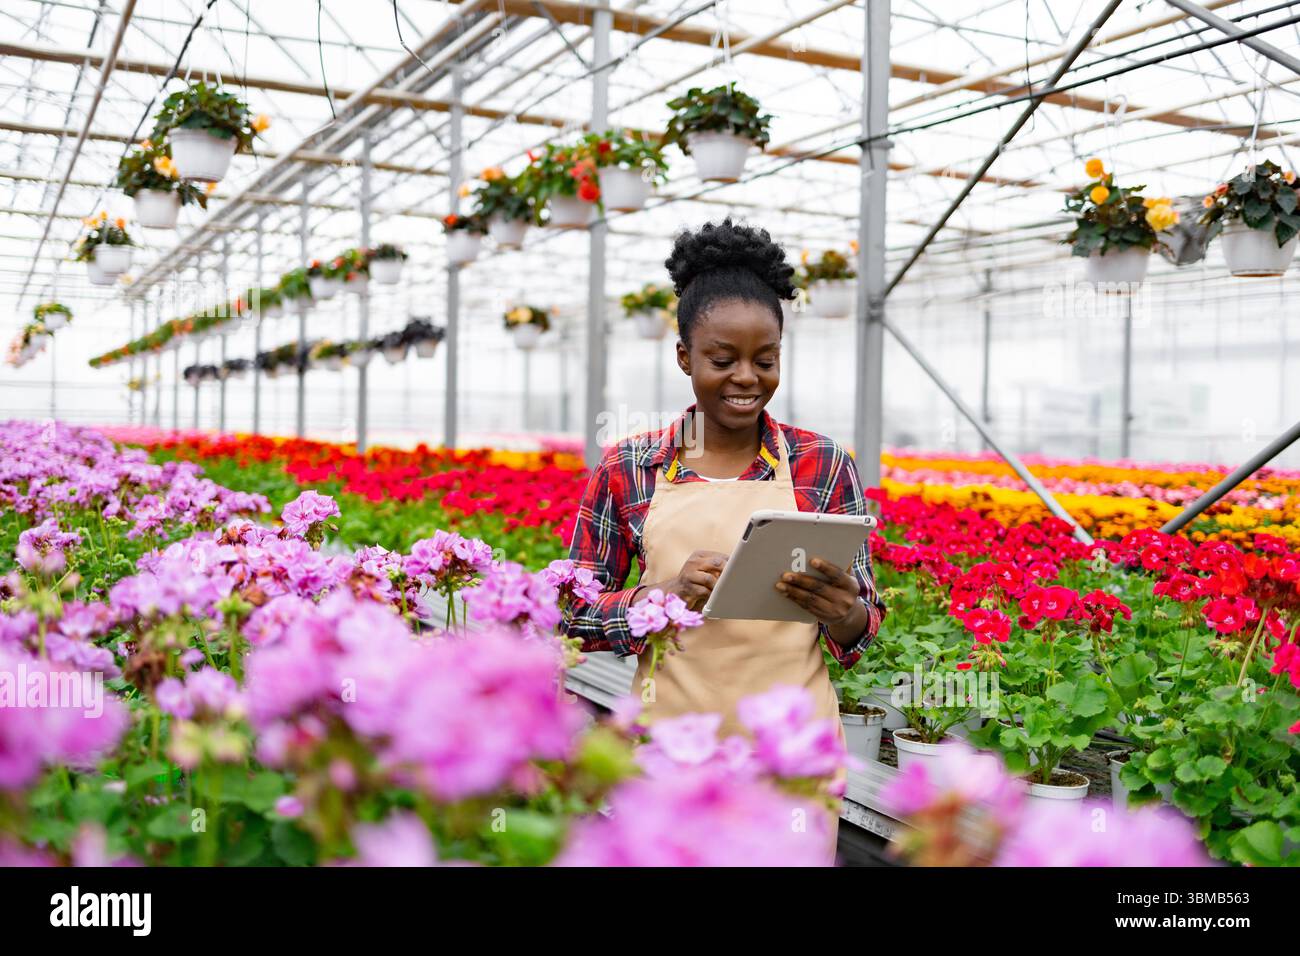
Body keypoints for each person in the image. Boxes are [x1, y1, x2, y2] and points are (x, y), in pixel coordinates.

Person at [562, 218, 886, 749]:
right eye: (722, 359)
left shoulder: (822, 463)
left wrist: (844, 611)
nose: (746, 378)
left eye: (766, 360)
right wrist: (659, 598)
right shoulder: (630, 465)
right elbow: (573, 614)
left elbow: (860, 627)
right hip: (669, 750)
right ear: (684, 356)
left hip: (794, 755)